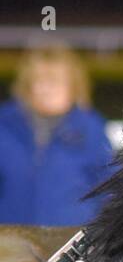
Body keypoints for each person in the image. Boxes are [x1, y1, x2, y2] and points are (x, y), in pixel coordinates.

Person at [0, 43, 113, 226]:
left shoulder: (91, 128)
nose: (47, 89)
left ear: (74, 85)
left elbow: (109, 186)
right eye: (40, 81)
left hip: (69, 243)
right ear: (27, 85)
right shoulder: (3, 126)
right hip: (11, 243)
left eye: (55, 81)